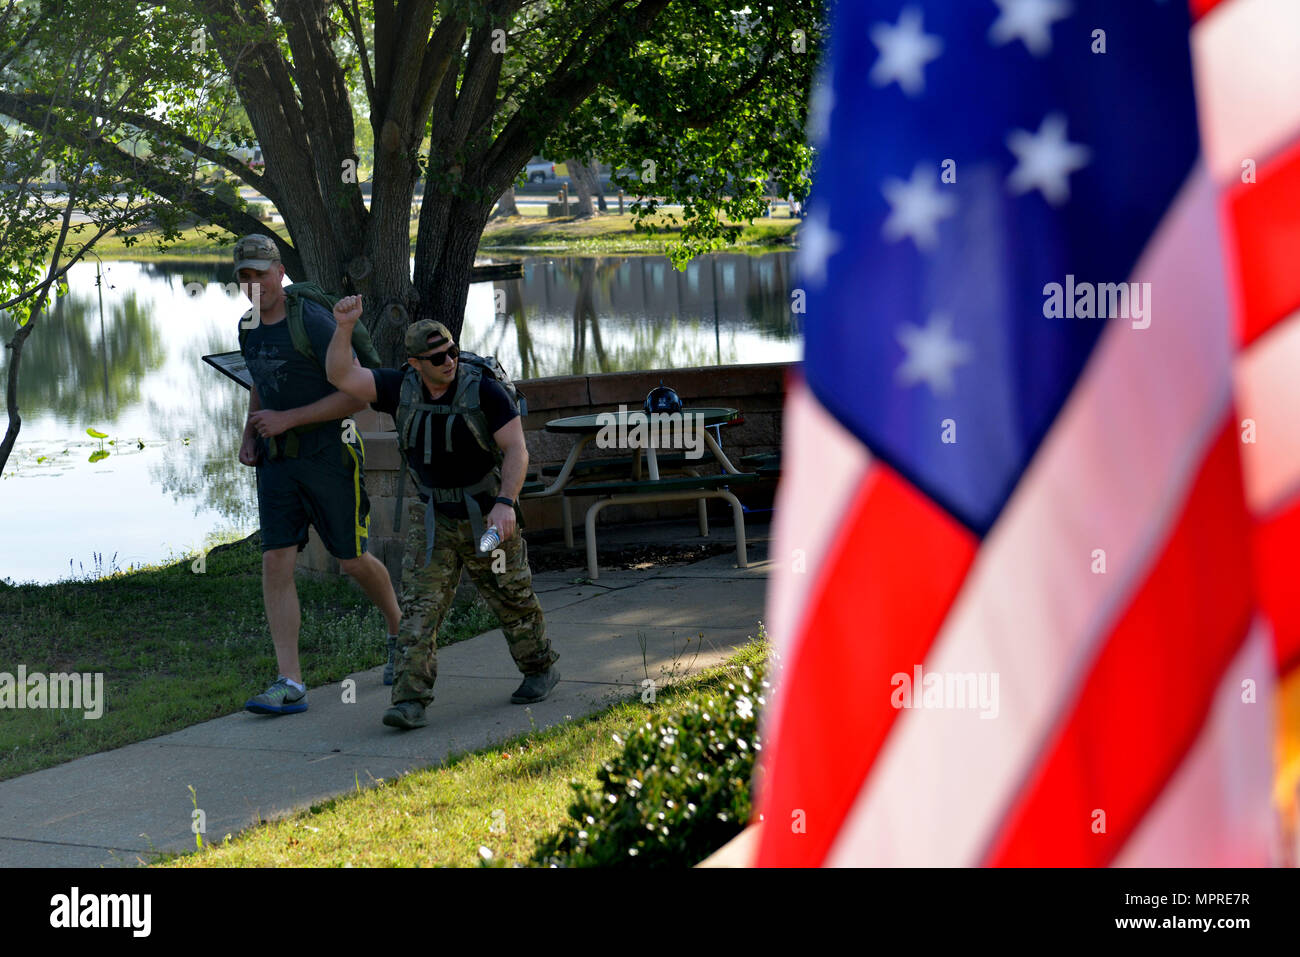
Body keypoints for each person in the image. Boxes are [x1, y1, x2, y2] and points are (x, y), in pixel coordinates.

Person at [324, 296, 559, 730]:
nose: (448, 361)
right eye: (437, 357)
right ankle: (410, 701)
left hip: (487, 516)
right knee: (418, 611)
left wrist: (506, 504)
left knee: (512, 598)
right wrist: (344, 326)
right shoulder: (398, 387)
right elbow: (340, 375)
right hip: (433, 520)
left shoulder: (484, 390)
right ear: (415, 362)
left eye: (452, 351)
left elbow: (516, 450)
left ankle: (541, 668)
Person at [233, 235, 403, 715]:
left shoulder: (312, 320)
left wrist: (289, 420)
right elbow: (260, 385)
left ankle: (399, 629)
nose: (254, 285)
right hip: (276, 463)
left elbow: (358, 395)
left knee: (351, 560)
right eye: (244, 276)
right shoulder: (247, 326)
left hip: (330, 455)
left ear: (279, 271)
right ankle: (290, 682)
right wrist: (251, 432)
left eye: (260, 274)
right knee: (275, 564)